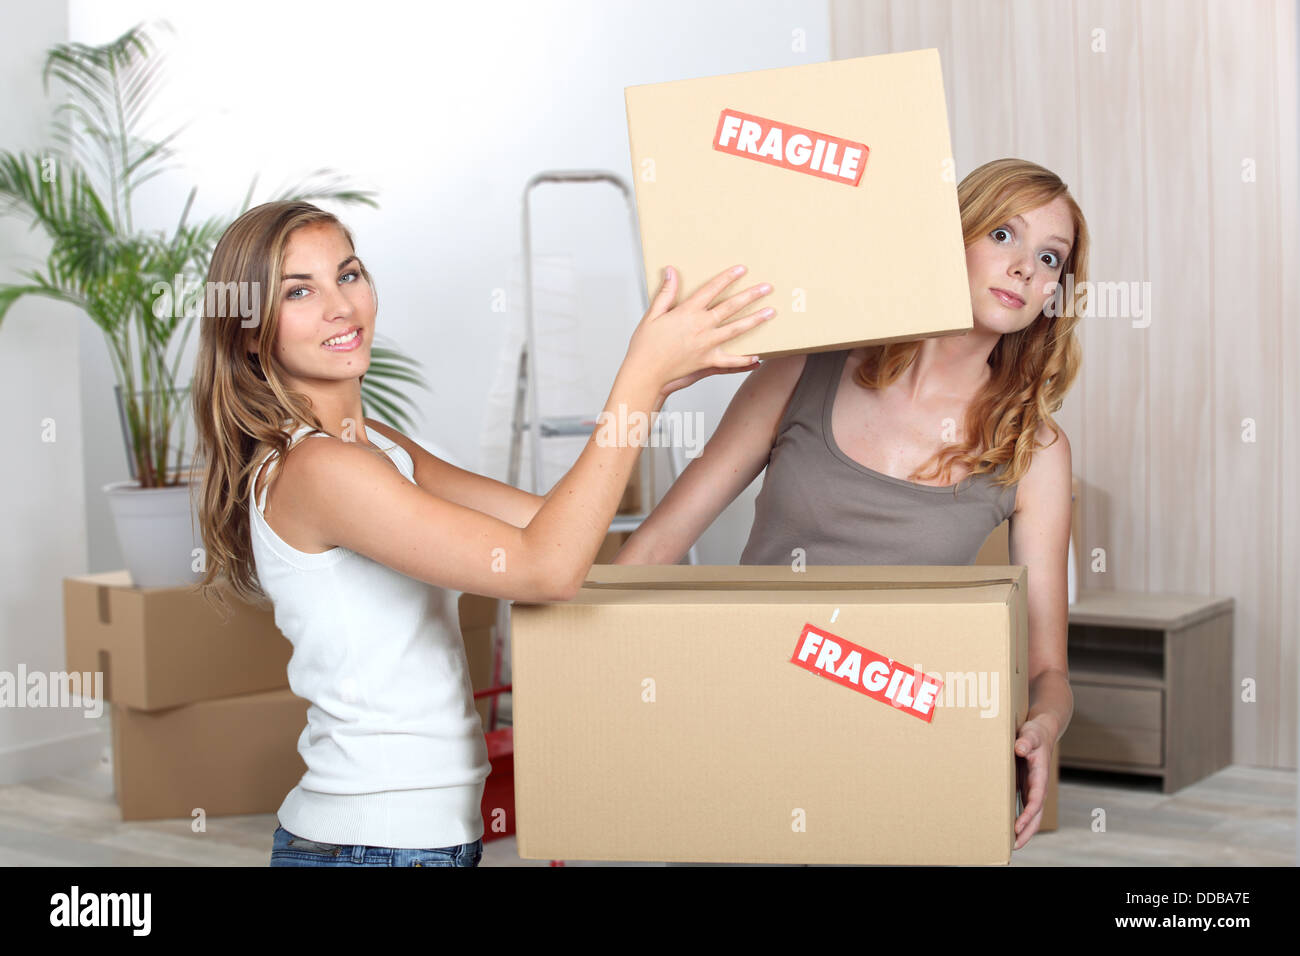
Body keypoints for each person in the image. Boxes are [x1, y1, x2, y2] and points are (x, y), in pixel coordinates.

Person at [189, 200, 774, 866]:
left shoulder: (374, 445)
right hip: (370, 844)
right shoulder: (318, 468)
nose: (340, 306)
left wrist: (657, 385)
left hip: (409, 840)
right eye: (300, 290)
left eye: (348, 275)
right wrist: (636, 383)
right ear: (250, 333)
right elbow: (544, 566)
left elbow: (549, 522)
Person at [614, 158, 1088, 852]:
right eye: (1002, 236)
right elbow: (653, 548)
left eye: (1050, 258)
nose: (1024, 268)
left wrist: (1043, 723)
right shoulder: (804, 369)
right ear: (947, 236)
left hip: (905, 756)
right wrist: (592, 677)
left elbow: (1049, 671)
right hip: (746, 728)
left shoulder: (1035, 448)